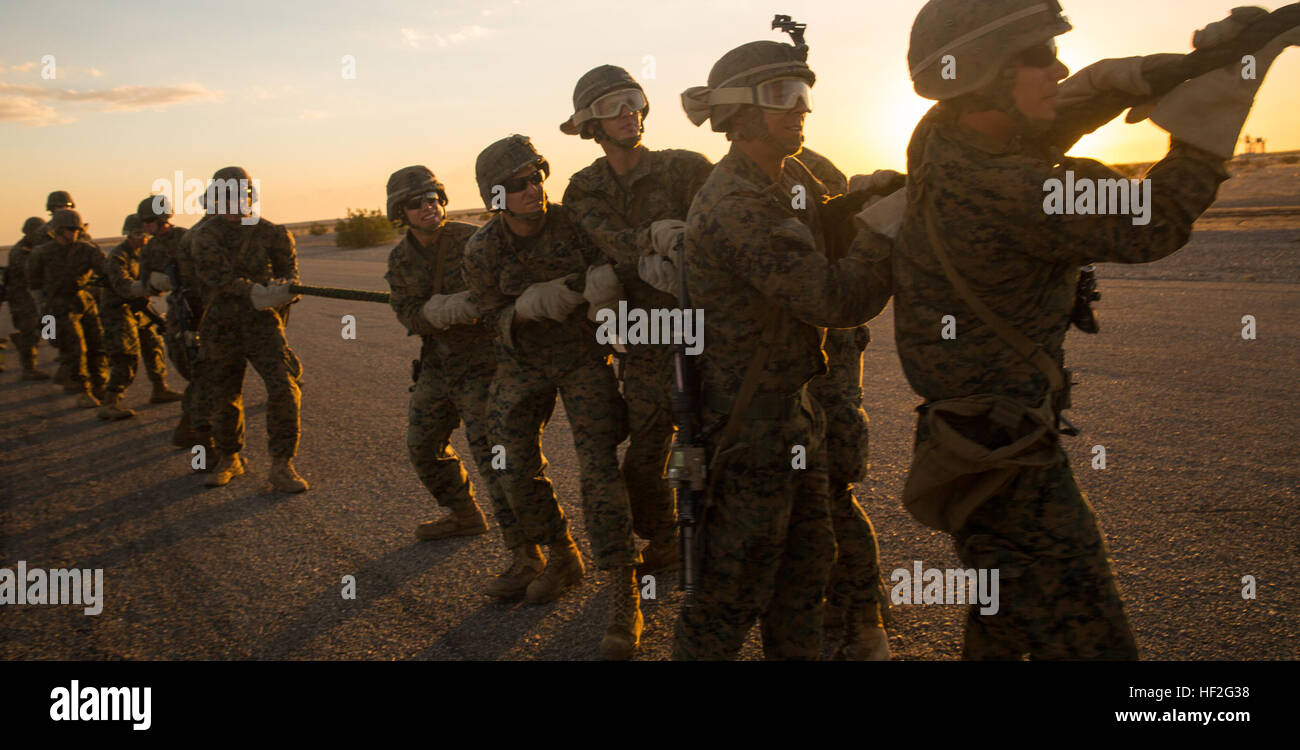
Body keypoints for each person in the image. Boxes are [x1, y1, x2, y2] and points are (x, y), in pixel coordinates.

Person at [895, 0, 1294, 658]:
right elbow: (1153, 219)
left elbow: (1031, 127)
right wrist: (1223, 94)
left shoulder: (941, 136)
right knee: (1091, 639)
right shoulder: (1010, 192)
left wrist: (1154, 73)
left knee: (1009, 615)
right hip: (1009, 464)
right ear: (986, 72)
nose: (1060, 67)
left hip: (976, 444)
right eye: (1038, 56)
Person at [674, 38, 895, 659]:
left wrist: (864, 201)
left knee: (802, 580)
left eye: (804, 94)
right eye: (782, 96)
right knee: (727, 595)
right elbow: (832, 298)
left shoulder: (784, 175)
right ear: (740, 114)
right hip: (746, 432)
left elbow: (819, 224)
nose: (802, 109)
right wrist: (883, 230)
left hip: (795, 417)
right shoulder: (734, 202)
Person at [461, 134, 642, 659]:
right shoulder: (482, 249)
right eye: (517, 185)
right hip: (522, 364)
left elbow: (618, 276)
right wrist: (520, 310)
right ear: (496, 197)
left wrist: (600, 288)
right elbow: (487, 317)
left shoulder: (576, 224)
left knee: (598, 472)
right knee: (511, 467)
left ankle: (623, 594)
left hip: (583, 358)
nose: (532, 189)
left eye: (537, 176)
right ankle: (561, 555)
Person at [559, 64, 714, 573]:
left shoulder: (687, 167)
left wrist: (688, 258)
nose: (627, 112)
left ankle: (729, 552)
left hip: (710, 331)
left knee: (722, 448)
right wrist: (650, 241)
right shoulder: (584, 189)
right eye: (611, 107)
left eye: (633, 100)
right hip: (646, 340)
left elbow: (724, 231)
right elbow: (604, 241)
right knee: (646, 462)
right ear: (591, 125)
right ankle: (667, 542)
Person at [383, 165, 530, 594]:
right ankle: (464, 514)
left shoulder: (474, 239)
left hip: (485, 364)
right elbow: (406, 312)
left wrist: (477, 303)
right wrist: (433, 313)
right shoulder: (400, 259)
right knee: (423, 446)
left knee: (493, 461)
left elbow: (512, 287)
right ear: (401, 212)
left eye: (433, 197)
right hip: (438, 364)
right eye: (416, 202)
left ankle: (525, 555)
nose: (428, 206)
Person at [796, 147, 892, 660]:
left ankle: (865, 615)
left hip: (829, 360)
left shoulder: (810, 172)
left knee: (831, 489)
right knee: (805, 493)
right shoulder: (742, 180)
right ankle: (837, 596)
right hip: (788, 363)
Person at [188, 166, 307, 492]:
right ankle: (230, 458)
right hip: (221, 326)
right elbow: (217, 279)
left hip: (262, 325)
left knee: (285, 388)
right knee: (224, 396)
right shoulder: (205, 236)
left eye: (238, 195)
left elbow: (290, 277)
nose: (231, 203)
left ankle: (282, 465)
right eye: (223, 197)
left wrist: (283, 290)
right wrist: (256, 292)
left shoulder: (274, 234)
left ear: (249, 198)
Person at [138, 196, 211, 451]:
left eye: (149, 221)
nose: (145, 227)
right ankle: (195, 426)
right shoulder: (149, 250)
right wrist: (157, 283)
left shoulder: (186, 237)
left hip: (199, 309)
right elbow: (145, 284)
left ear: (162, 220)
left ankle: (193, 428)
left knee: (204, 373)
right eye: (143, 222)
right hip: (177, 314)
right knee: (191, 369)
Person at [96, 213, 183, 420]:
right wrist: (150, 287)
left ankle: (159, 388)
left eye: (145, 235)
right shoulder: (118, 257)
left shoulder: (148, 253)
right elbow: (123, 286)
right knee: (125, 355)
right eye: (137, 234)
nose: (142, 239)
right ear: (127, 235)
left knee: (153, 346)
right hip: (118, 310)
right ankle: (110, 402)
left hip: (139, 308)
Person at [27, 208, 109, 407]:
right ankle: (82, 390)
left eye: (76, 229)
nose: (73, 233)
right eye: (69, 229)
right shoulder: (41, 253)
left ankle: (101, 385)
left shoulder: (87, 249)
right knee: (74, 348)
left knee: (98, 343)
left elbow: (106, 270)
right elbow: (34, 283)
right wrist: (43, 309)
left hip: (83, 301)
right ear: (58, 230)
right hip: (58, 305)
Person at [4, 217, 54, 380]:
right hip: (22, 298)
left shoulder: (36, 248)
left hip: (31, 296)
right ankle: (28, 369)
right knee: (29, 331)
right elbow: (31, 272)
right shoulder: (21, 251)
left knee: (46, 325)